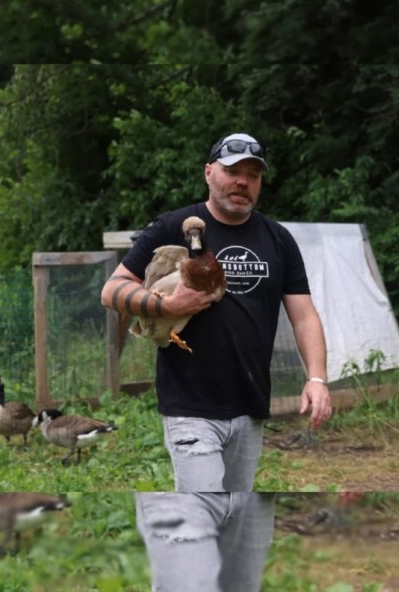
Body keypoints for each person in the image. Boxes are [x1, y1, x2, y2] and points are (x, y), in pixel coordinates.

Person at [100, 132, 333, 591]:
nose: (242, 182)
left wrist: (318, 378)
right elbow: (112, 290)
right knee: (199, 513)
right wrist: (165, 305)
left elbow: (304, 314)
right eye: (232, 171)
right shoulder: (172, 227)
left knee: (233, 518)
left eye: (252, 174)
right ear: (209, 173)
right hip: (191, 405)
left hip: (249, 405)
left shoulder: (278, 238)